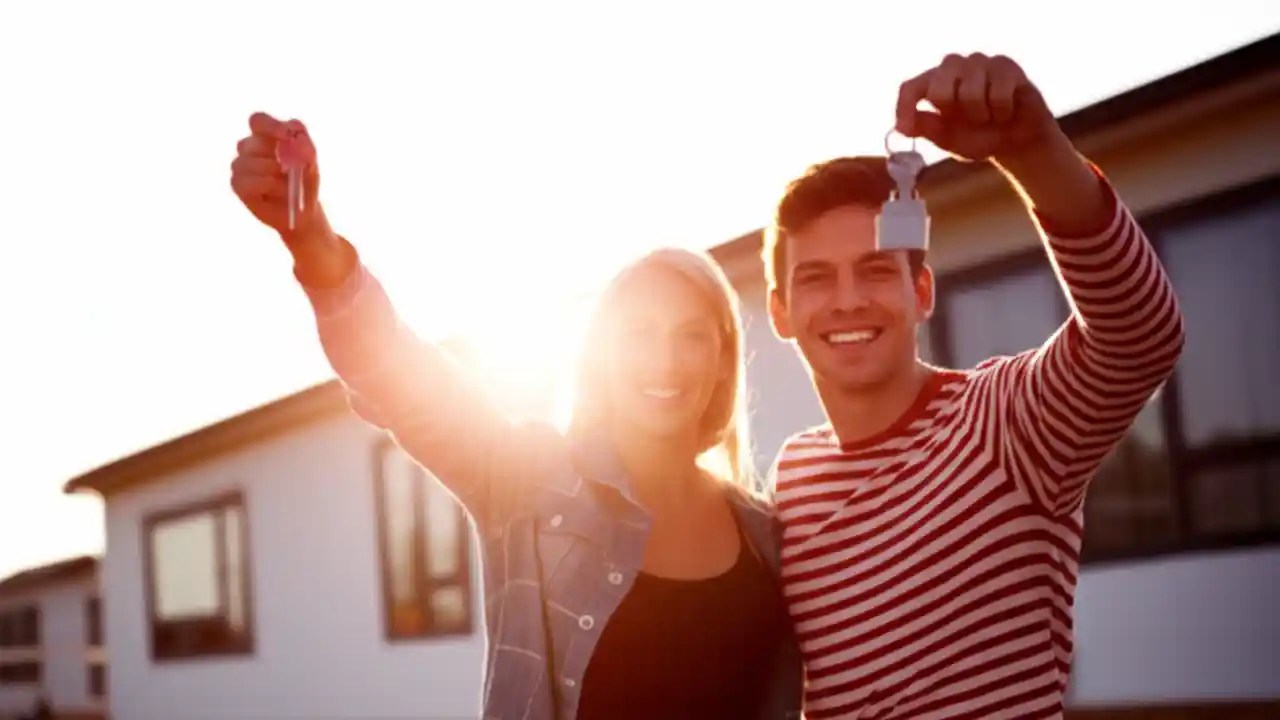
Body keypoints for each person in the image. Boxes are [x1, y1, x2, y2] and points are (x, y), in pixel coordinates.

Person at [228, 113, 803, 720]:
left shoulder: (765, 536)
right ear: (601, 355)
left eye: (691, 336)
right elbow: (402, 375)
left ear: (722, 361)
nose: (665, 360)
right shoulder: (531, 480)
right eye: (638, 334)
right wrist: (311, 239)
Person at [764, 53, 1186, 719]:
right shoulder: (795, 475)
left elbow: (1141, 336)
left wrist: (1033, 152)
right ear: (779, 312)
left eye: (876, 269)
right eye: (816, 277)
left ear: (921, 291)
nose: (847, 301)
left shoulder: (1003, 423)